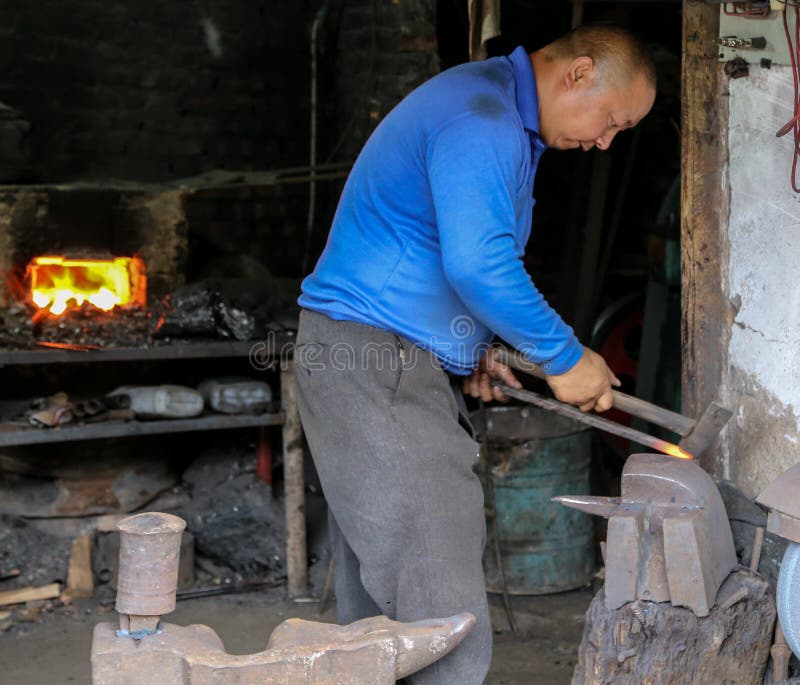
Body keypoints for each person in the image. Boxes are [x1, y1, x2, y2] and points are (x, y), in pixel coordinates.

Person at [294, 24, 656, 685]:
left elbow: (439, 251)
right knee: (437, 588)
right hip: (374, 360)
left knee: (385, 598)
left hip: (378, 355)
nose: (606, 141)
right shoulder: (480, 116)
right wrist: (563, 354)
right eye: (611, 120)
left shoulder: (500, 123)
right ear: (578, 73)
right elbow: (478, 262)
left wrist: (473, 347)